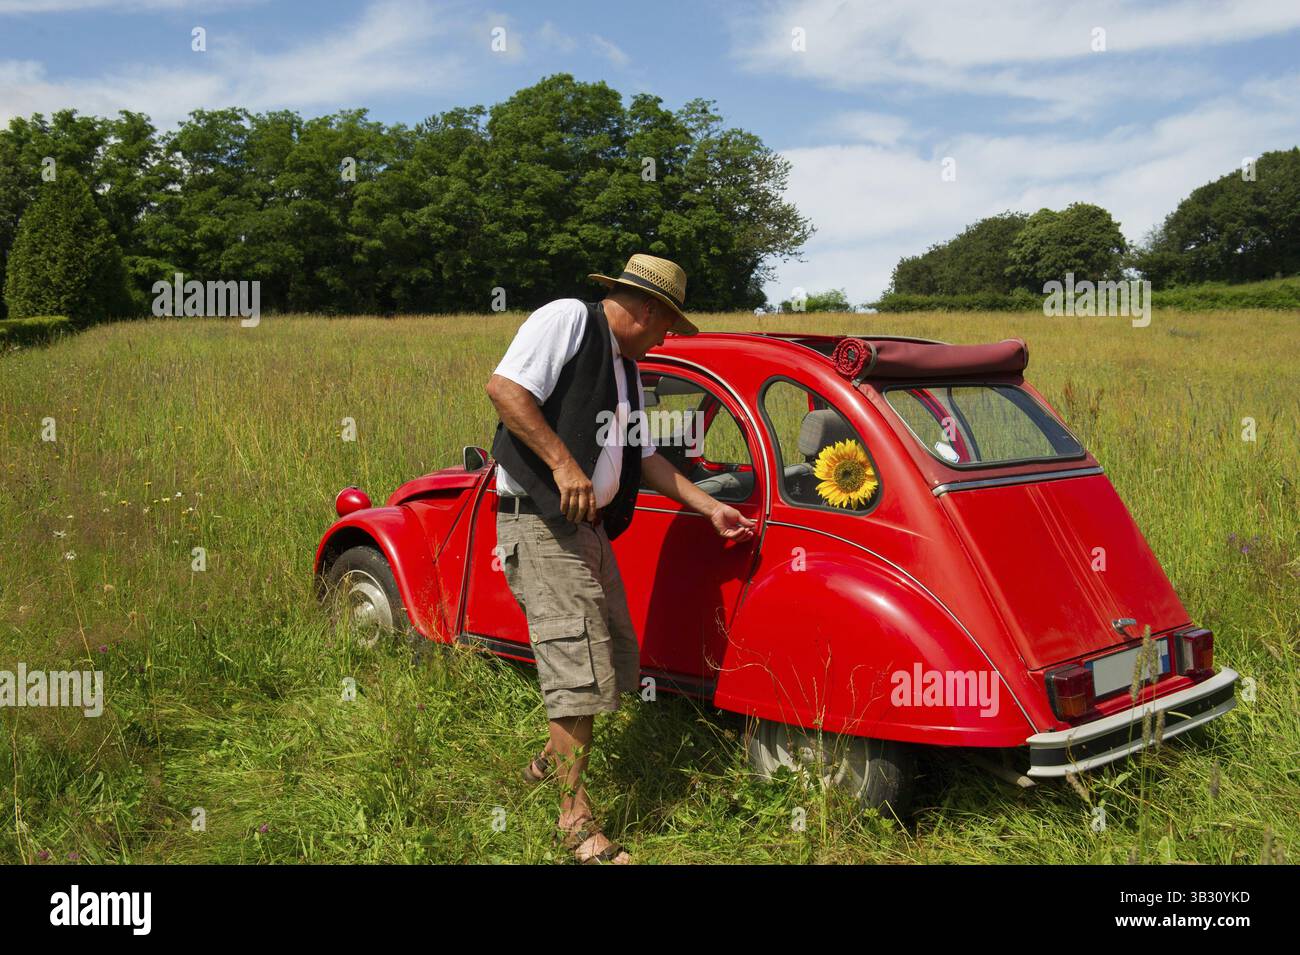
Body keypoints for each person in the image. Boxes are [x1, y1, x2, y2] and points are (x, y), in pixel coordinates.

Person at [486, 253, 755, 864]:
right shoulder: (567, 321)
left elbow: (645, 458)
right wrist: (562, 463)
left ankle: (545, 766)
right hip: (542, 523)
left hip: (586, 530)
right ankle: (574, 821)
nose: (667, 337)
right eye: (667, 325)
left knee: (604, 652)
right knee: (577, 662)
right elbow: (505, 389)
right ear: (643, 308)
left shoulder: (628, 368)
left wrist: (706, 507)